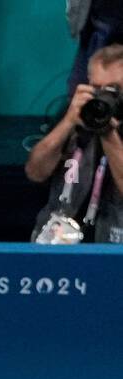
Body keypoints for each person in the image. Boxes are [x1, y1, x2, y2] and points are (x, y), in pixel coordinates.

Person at [27, 43, 123, 244]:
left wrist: (109, 135)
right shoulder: (74, 112)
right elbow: (35, 172)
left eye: (114, 89)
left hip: (114, 246)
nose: (103, 96)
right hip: (59, 242)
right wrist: (67, 122)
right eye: (97, 87)